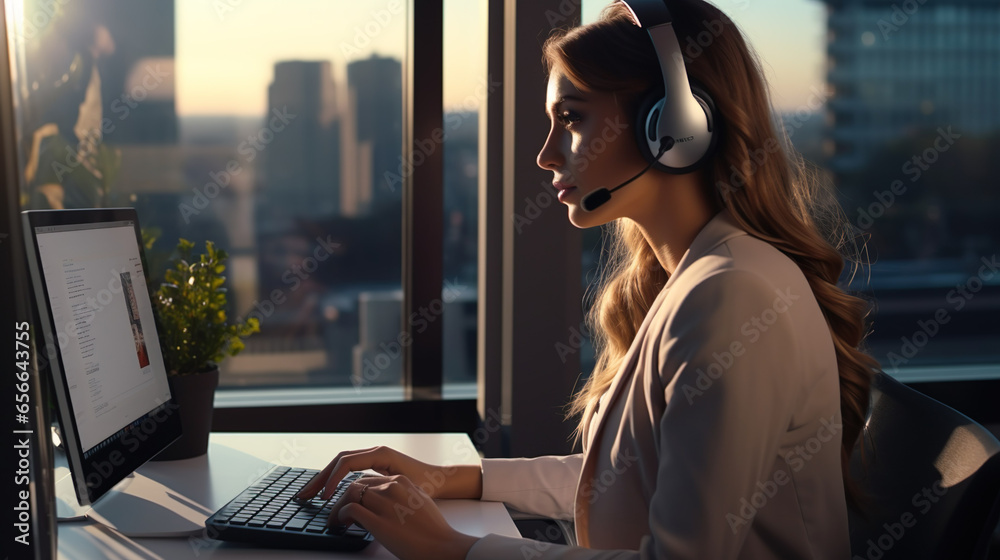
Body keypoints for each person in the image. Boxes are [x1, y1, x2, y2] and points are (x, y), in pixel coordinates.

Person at [295, 1, 878, 558]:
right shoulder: (695, 276)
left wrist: (451, 549)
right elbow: (631, 475)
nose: (546, 155)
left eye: (572, 118)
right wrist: (448, 477)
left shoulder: (732, 295)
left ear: (674, 127)